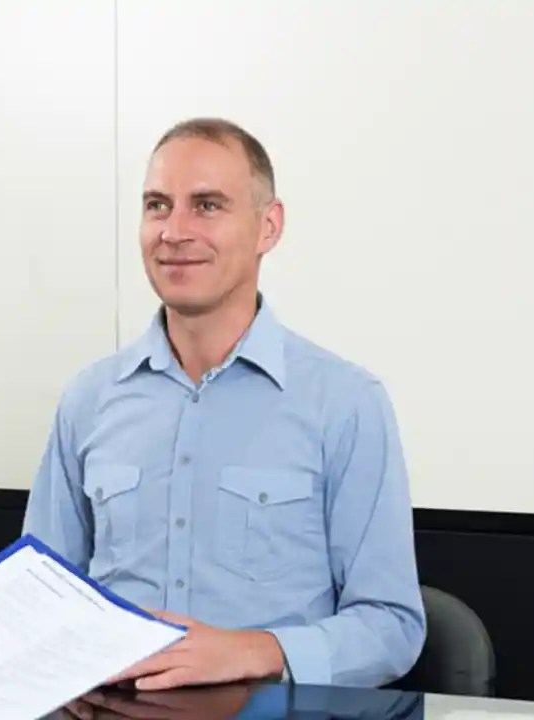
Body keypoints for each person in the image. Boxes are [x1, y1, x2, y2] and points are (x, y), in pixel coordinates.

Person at [24, 118, 426, 690]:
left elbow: (392, 628)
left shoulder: (345, 403)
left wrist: (252, 652)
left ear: (268, 227)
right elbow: (35, 603)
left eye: (207, 205)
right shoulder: (89, 400)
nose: (174, 231)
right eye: (158, 205)